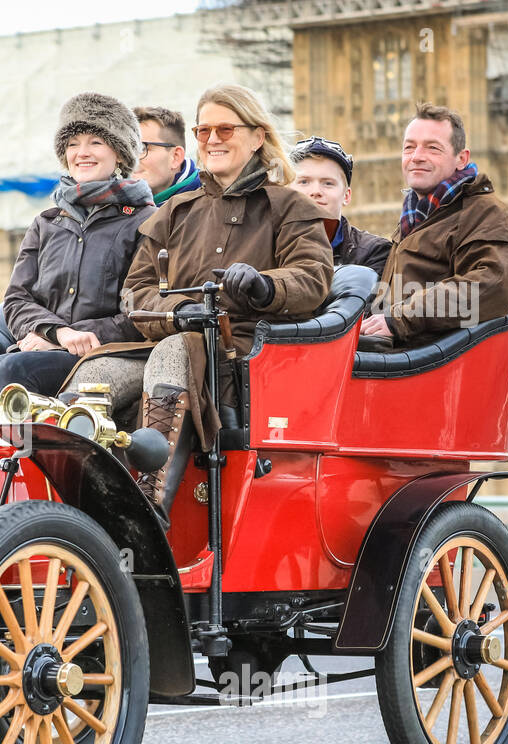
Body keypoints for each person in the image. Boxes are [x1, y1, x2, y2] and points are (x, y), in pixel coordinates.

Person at [64, 83, 333, 527]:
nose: (211, 139)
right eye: (203, 130)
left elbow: (312, 277)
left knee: (173, 352)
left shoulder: (289, 207)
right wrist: (174, 313)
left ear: (258, 136)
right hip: (172, 344)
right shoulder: (174, 212)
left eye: (225, 129)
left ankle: (145, 513)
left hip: (243, 357)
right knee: (94, 375)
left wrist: (264, 286)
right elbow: (136, 293)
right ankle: (77, 508)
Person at [0, 93, 155, 405]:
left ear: (121, 154)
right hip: (47, 344)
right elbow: (17, 300)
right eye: (73, 144)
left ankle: (21, 456)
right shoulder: (46, 223)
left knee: (18, 371)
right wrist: (56, 333)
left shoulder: (145, 221)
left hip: (108, 351)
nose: (82, 153)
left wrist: (66, 338)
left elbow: (140, 310)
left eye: (96, 142)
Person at [362, 103, 508, 349]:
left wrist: (399, 319)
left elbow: (492, 287)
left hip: (438, 372)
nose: (417, 157)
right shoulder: (416, 219)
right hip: (397, 362)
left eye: (432, 148)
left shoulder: (487, 215)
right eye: (409, 147)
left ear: (461, 159)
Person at [289, 135, 391, 274]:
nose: (315, 191)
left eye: (328, 183)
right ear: (286, 192)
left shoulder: (374, 252)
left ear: (346, 196)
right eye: (304, 182)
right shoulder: (263, 246)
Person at [133, 106, 201, 205]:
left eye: (142, 148)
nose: (130, 159)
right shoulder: (112, 200)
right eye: (128, 148)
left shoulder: (207, 206)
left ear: (175, 157)